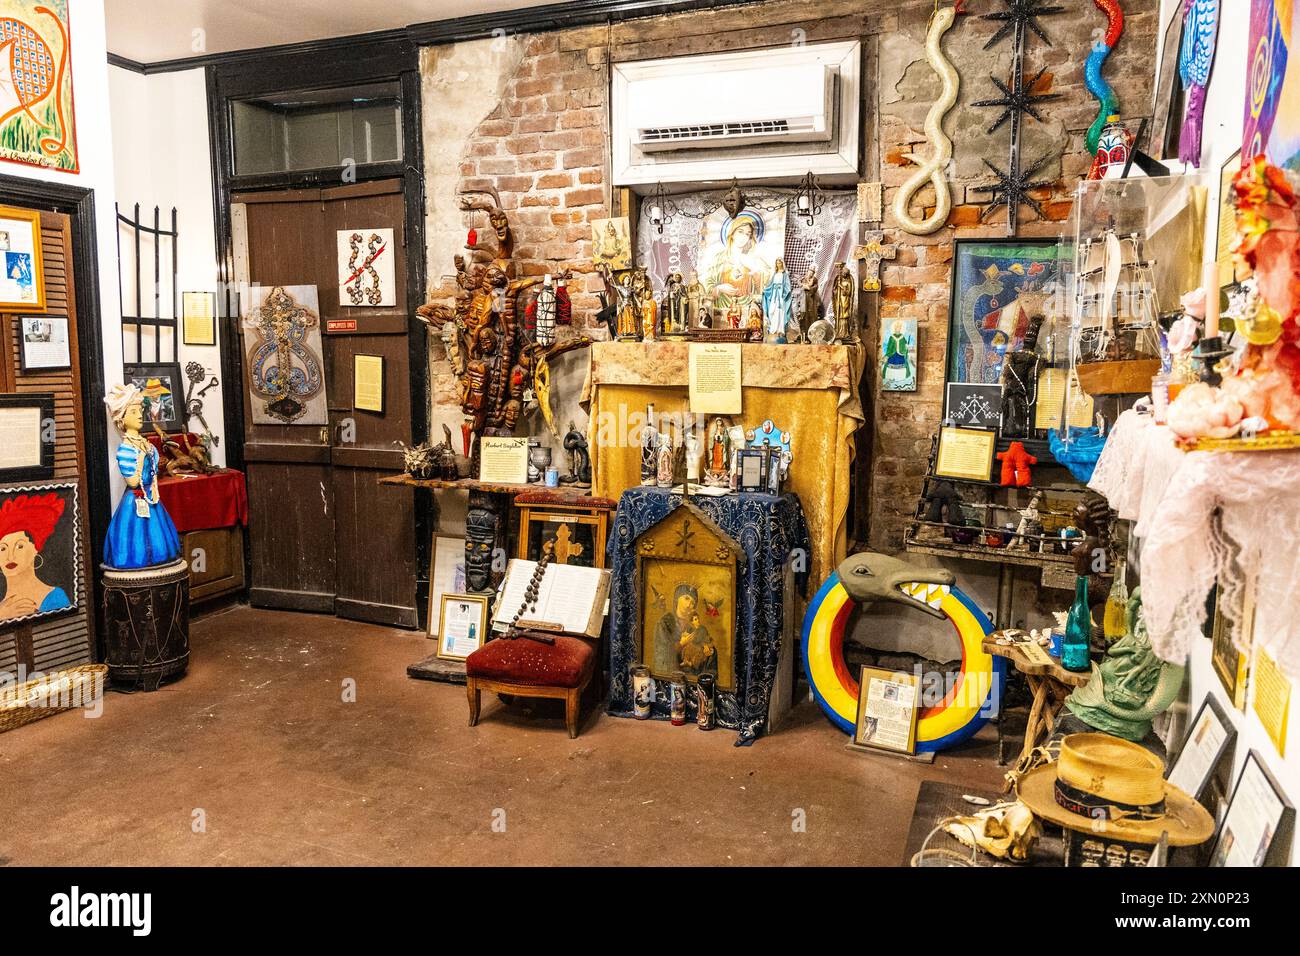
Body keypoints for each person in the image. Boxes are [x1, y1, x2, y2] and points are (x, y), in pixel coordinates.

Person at [103, 383, 182, 569]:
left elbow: (153, 473)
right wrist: (141, 457)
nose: (139, 415)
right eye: (133, 412)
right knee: (135, 541)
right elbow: (132, 481)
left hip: (150, 497)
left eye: (139, 410)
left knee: (159, 537)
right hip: (136, 499)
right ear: (122, 419)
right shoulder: (126, 450)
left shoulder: (146, 445)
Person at [0, 493, 72, 621]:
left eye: (19, 546)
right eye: (3, 548)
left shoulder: (55, 598)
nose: (10, 556)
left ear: (35, 549)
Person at [655, 584, 717, 680]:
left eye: (692, 602)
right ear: (677, 599)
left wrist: (709, 651)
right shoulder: (665, 623)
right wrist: (681, 644)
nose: (689, 604)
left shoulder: (694, 627)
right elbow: (661, 653)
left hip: (692, 678)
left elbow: (704, 647)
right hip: (672, 678)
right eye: (686, 598)